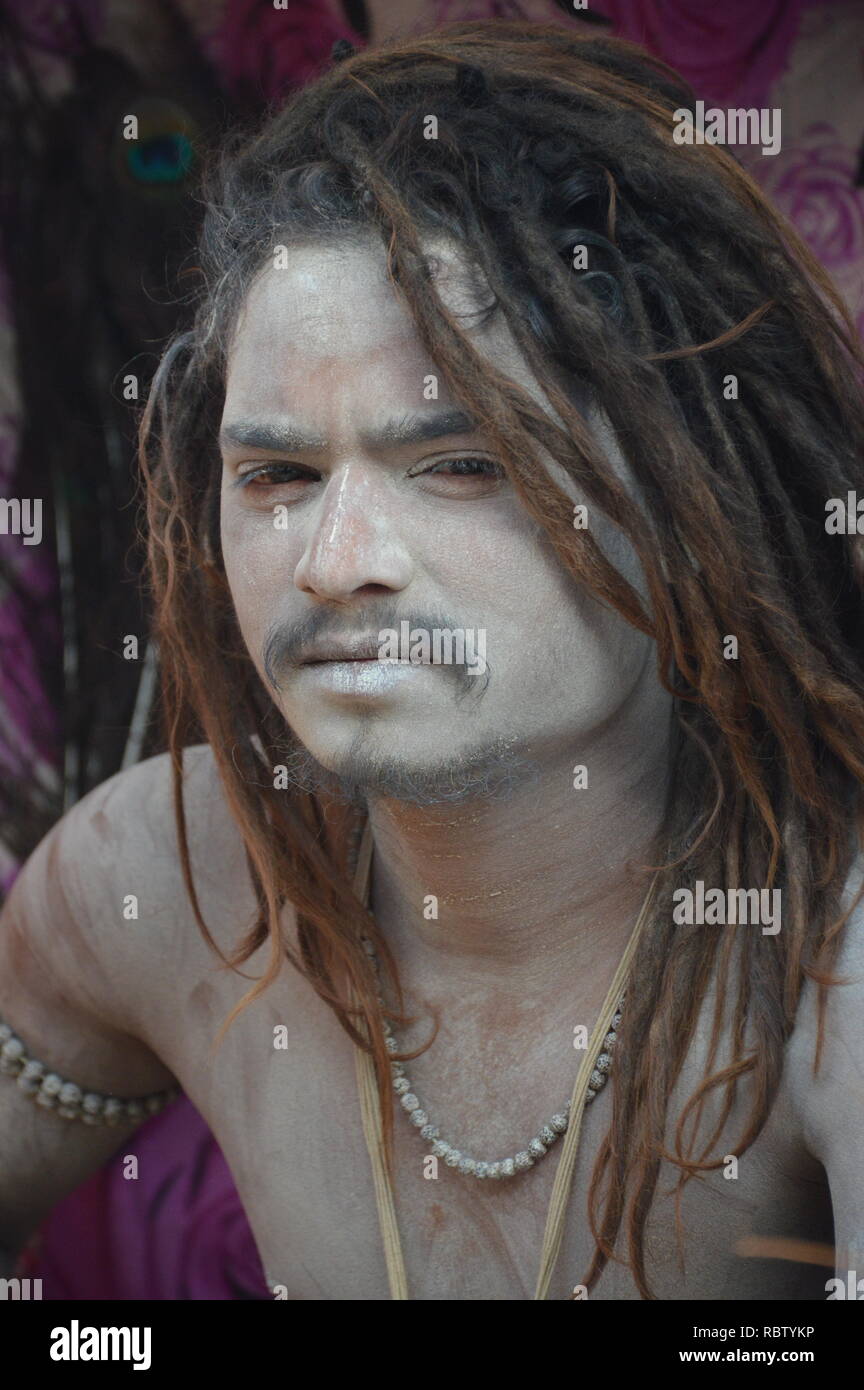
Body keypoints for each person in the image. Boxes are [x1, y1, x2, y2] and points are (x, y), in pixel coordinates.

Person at [2, 20, 863, 1302]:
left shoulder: (824, 955)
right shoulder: (172, 882)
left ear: (690, 495)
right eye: (278, 475)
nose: (337, 560)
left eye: (465, 465)